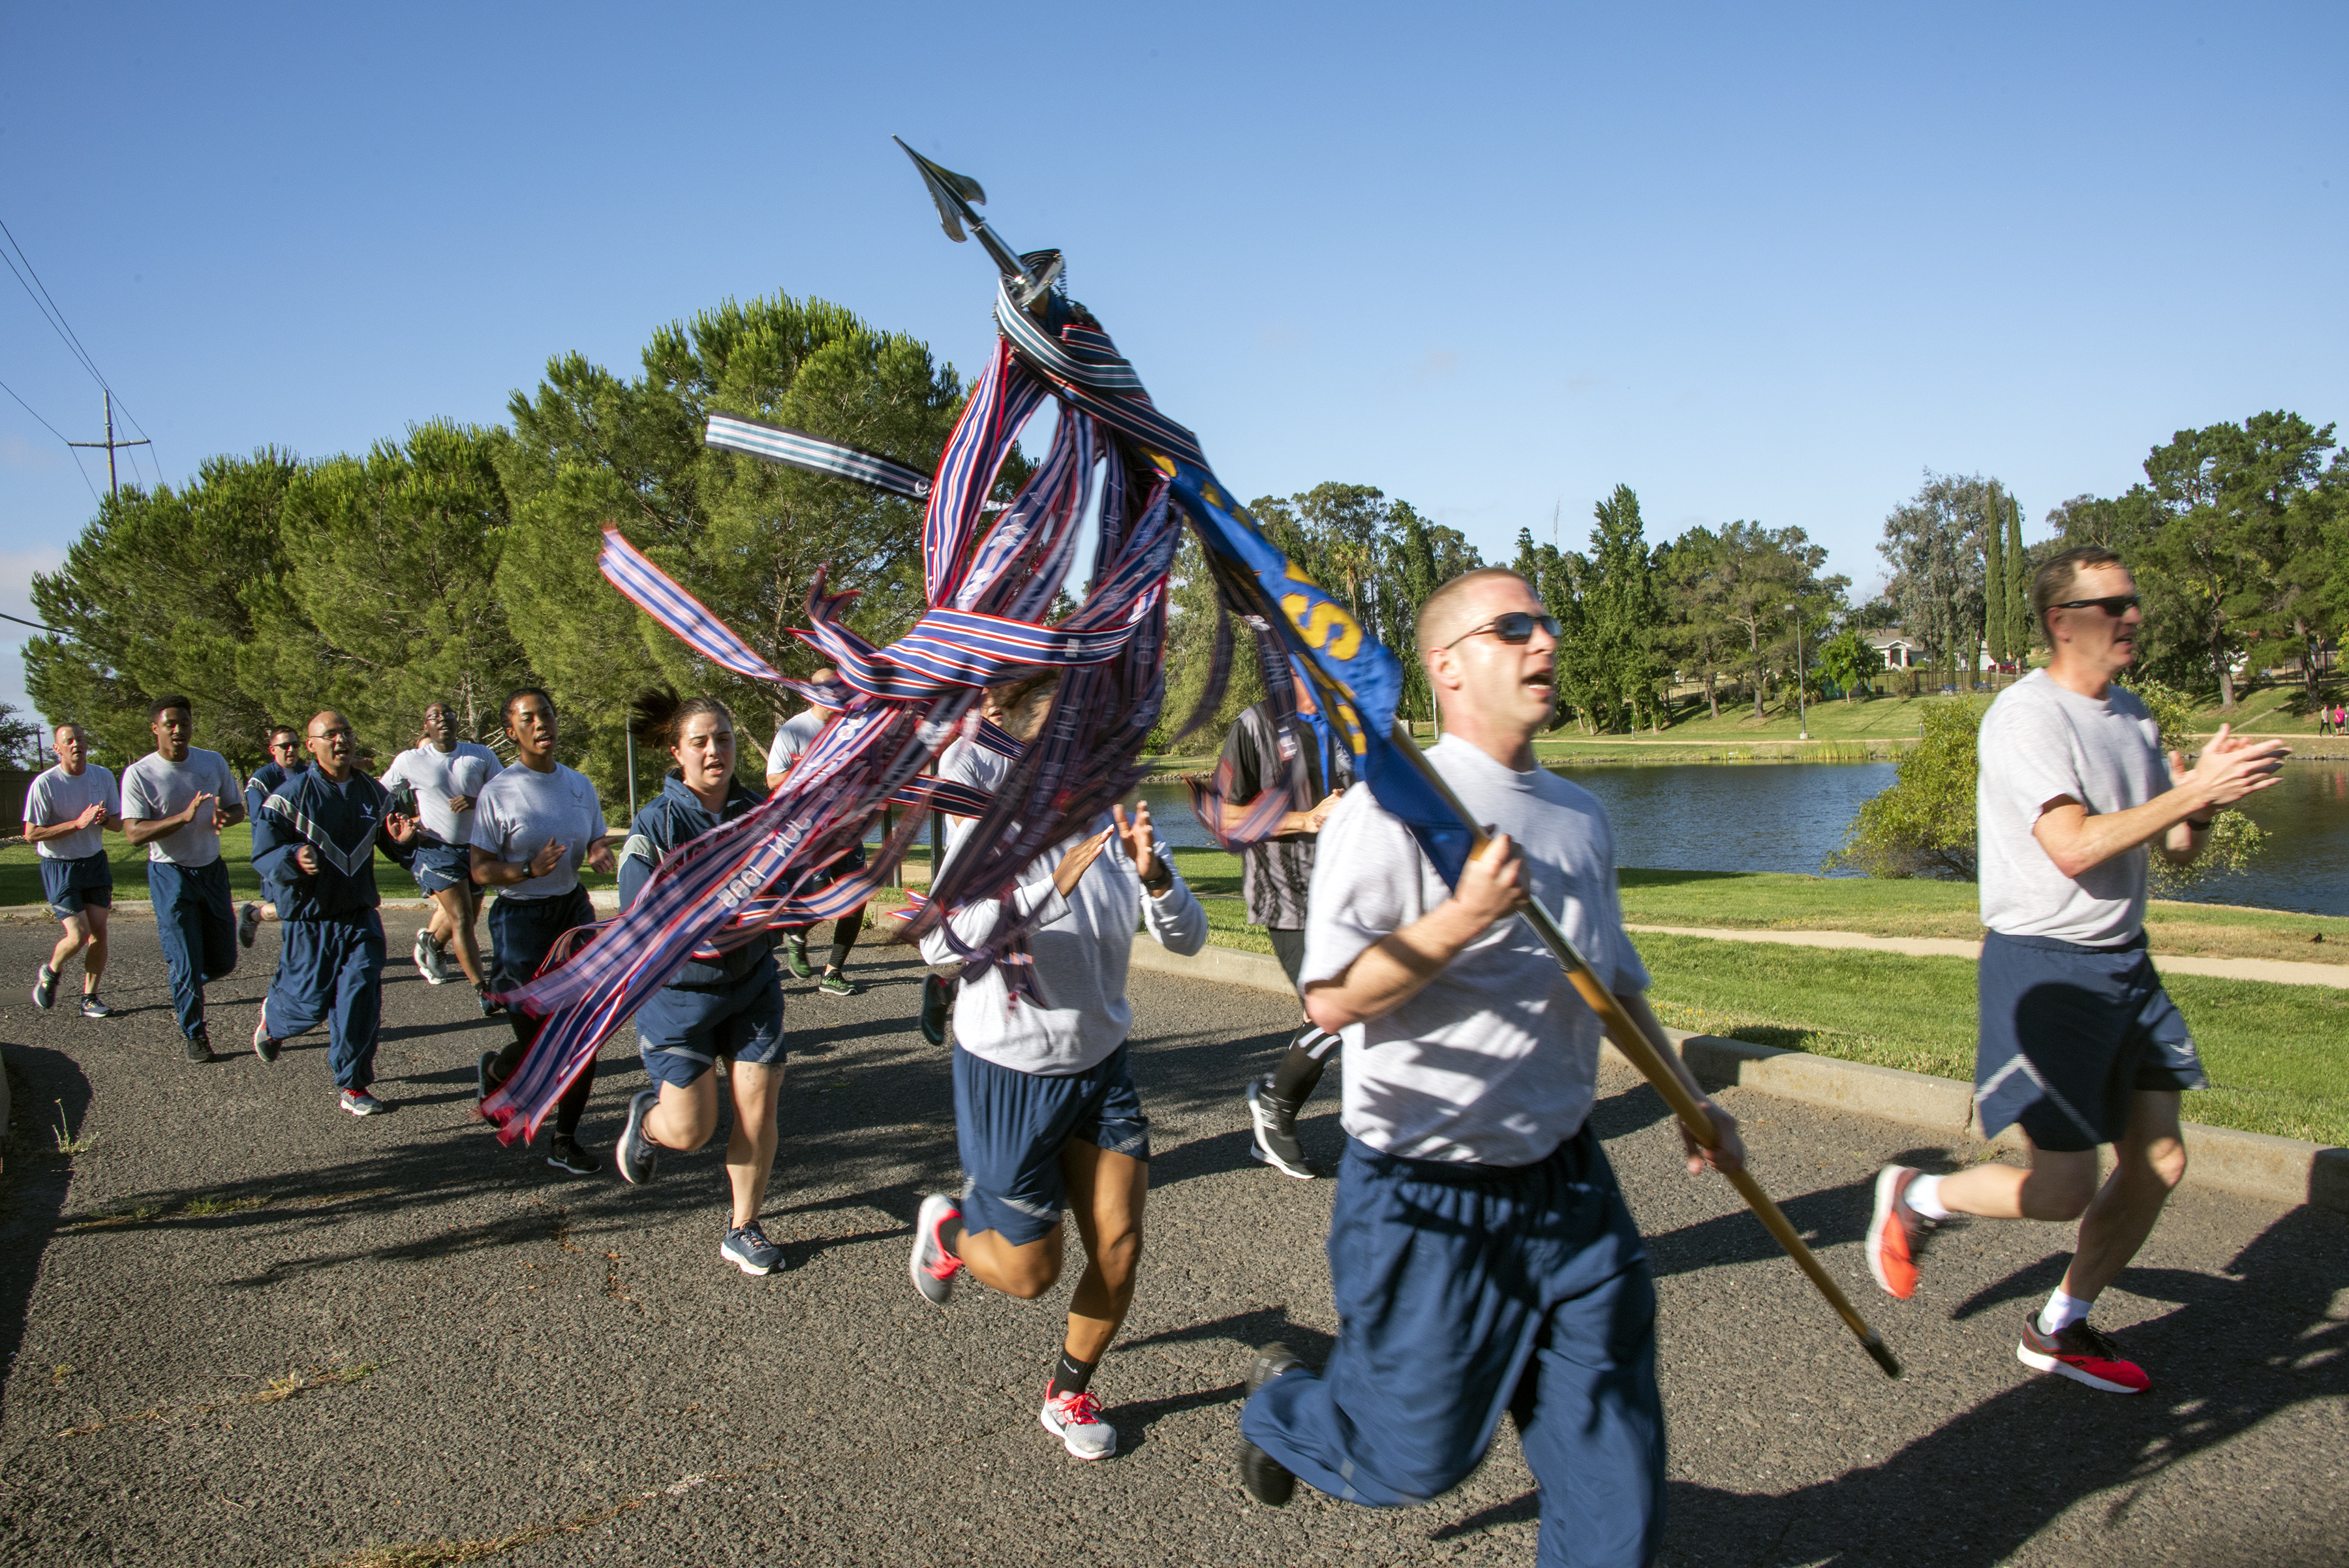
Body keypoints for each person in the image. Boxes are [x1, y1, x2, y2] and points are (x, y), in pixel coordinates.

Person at [1232, 568, 1744, 1568]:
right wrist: (1460, 918)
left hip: (1570, 1187)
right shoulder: (1393, 810)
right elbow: (1329, 997)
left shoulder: (1579, 814)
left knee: (1616, 1488)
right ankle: (1285, 1406)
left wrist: (1689, 1100)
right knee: (1404, 1462)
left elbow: (1614, 983)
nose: (1543, 641)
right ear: (1447, 666)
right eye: (1514, 627)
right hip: (1427, 1193)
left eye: (1546, 622)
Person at [1869, 547, 2289, 1395]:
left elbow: (2171, 846)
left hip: (2127, 962)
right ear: (2063, 621)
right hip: (2046, 967)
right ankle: (1919, 1197)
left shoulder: (2131, 716)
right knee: (2063, 1187)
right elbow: (2071, 845)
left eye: (2136, 600)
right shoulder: (2026, 718)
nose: (2133, 616)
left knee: (2160, 1159)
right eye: (2114, 604)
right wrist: (2189, 788)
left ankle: (2059, 1325)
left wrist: (2200, 801)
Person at [906, 672, 1207, 1463]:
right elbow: (942, 943)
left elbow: (1188, 940)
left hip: (1102, 1060)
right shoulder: (976, 786)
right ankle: (949, 1228)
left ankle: (1068, 1389)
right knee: (1032, 1273)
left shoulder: (1112, 798)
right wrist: (1052, 882)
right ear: (1015, 716)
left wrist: (1157, 878)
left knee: (1120, 1244)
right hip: (1010, 1068)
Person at [610, 695, 791, 1275]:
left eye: (725, 739)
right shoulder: (656, 827)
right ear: (677, 752)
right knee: (691, 1132)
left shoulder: (760, 813)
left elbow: (791, 883)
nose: (715, 750)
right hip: (680, 997)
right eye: (700, 741)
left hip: (753, 984)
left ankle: (744, 1227)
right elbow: (640, 921)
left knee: (758, 1111)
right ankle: (649, 1118)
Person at [1216, 660, 1350, 1178]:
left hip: (1349, 895)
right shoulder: (1253, 727)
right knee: (1334, 1012)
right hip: (1287, 897)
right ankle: (1275, 1106)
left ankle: (1276, 1116)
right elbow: (1223, 817)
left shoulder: (1347, 726)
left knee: (1365, 1008)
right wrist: (1304, 819)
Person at [472, 688, 615, 1176]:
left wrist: (597, 851)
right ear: (512, 732)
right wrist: (527, 870)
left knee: (581, 1034)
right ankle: (498, 1070)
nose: (541, 724)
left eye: (547, 714)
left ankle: (565, 1139)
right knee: (539, 1045)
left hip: (572, 915)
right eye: (527, 718)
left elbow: (594, 833)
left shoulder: (579, 784)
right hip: (522, 922)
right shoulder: (500, 792)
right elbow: (480, 871)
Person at [249, 711, 420, 1115]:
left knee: (360, 996)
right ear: (312, 745)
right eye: (330, 735)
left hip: (359, 916)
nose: (341, 740)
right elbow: (263, 855)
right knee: (309, 1005)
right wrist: (292, 856)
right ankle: (275, 1021)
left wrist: (403, 842)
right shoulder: (289, 798)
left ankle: (354, 1084)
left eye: (347, 733)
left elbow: (395, 846)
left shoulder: (376, 795)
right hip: (311, 919)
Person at [121, 696, 245, 1062]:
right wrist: (182, 817)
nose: (179, 730)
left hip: (211, 870)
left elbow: (237, 807)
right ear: (155, 728)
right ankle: (195, 1033)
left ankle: (185, 985)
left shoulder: (212, 761)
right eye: (171, 723)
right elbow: (133, 833)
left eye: (185, 723)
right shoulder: (140, 774)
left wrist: (227, 818)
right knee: (186, 963)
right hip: (170, 874)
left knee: (223, 962)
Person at [380, 700, 500, 1006]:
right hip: (436, 848)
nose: (442, 719)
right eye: (434, 716)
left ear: (456, 721)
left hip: (476, 848)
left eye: (448, 714)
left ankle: (432, 942)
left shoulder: (479, 755)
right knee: (460, 918)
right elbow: (381, 794)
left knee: (469, 918)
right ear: (426, 727)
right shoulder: (411, 760)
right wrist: (401, 822)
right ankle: (482, 991)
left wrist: (475, 801)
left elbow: (505, 791)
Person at [765, 671, 864, 997]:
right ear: (811, 693)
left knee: (855, 899)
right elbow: (772, 780)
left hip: (846, 826)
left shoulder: (851, 728)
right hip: (808, 832)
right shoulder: (794, 729)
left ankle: (833, 973)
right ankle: (797, 931)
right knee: (820, 894)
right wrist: (810, 769)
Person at [23, 722, 124, 1019]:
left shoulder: (102, 776)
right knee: (78, 934)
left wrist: (104, 820)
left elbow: (119, 824)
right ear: (57, 749)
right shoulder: (45, 783)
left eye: (80, 739)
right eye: (69, 741)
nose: (76, 745)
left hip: (94, 862)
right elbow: (31, 834)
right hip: (60, 865)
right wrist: (77, 824)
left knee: (99, 933)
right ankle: (51, 971)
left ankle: (90, 998)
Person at [238, 725, 307, 947]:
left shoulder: (308, 774)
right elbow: (262, 821)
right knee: (287, 908)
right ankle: (253, 916)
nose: (291, 750)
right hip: (278, 853)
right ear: (272, 749)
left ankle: (253, 916)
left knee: (303, 905)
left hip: (306, 851)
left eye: (295, 745)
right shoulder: (262, 780)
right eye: (284, 746)